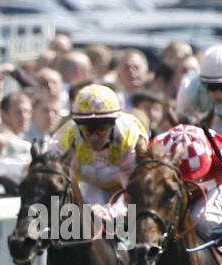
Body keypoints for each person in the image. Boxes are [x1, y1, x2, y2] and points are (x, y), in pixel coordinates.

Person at [44, 83, 147, 250]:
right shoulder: (67, 135)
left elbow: (136, 188)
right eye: (87, 128)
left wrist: (116, 212)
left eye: (102, 128)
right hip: (87, 186)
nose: (93, 136)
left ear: (114, 123)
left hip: (124, 187)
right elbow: (47, 169)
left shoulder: (129, 136)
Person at [150, 123, 222, 264]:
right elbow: (132, 192)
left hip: (213, 186)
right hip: (170, 189)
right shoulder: (153, 150)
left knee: (204, 221)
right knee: (138, 220)